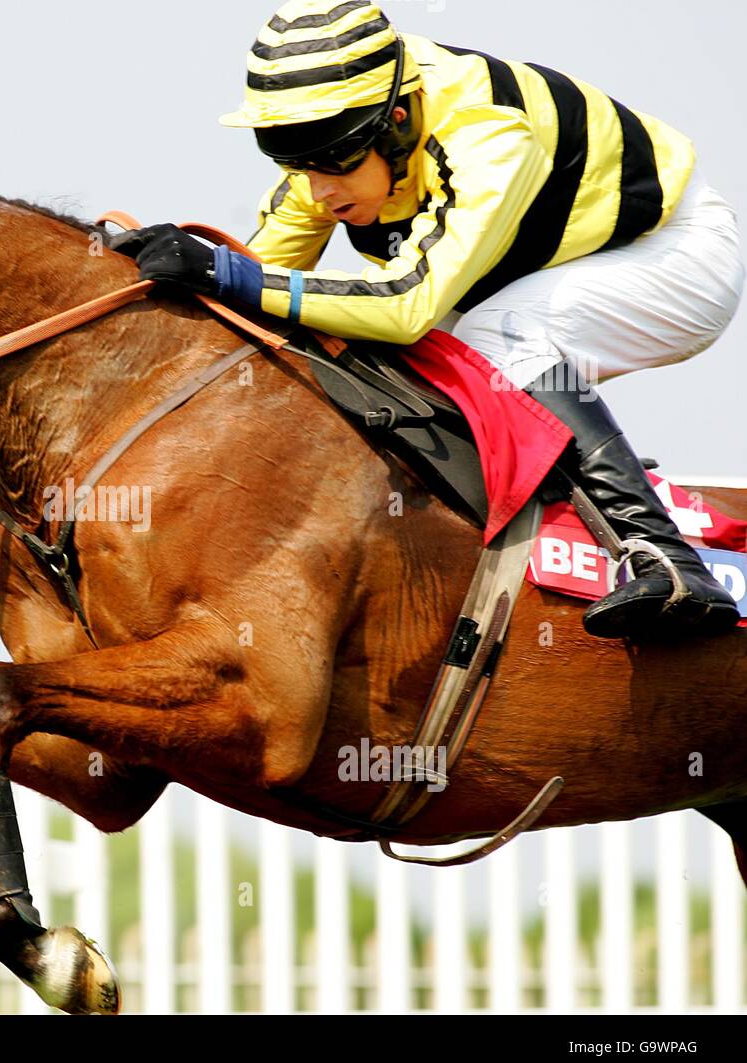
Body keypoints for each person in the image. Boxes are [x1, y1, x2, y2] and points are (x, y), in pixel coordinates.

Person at [113, 0, 744, 640]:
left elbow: (405, 308)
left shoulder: (487, 135)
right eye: (297, 166)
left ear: (394, 122)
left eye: (334, 163)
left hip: (672, 252)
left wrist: (229, 272)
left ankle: (665, 561)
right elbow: (253, 294)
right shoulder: (333, 143)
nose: (319, 191)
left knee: (487, 334)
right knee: (379, 339)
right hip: (539, 272)